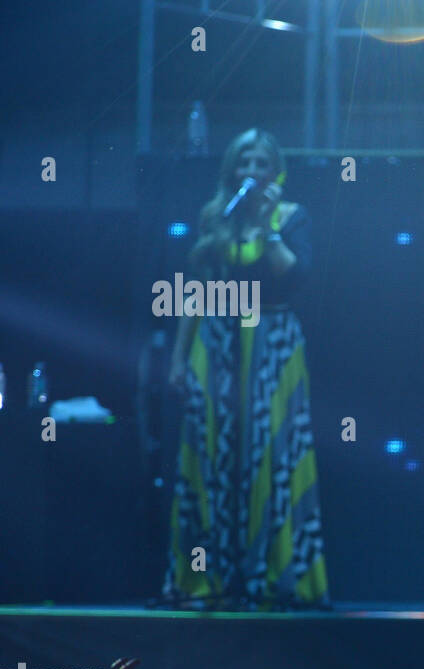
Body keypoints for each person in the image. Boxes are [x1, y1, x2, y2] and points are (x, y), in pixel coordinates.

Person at [165, 127, 328, 610]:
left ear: (276, 171)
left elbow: (293, 275)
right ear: (231, 170)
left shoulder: (292, 217)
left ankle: (275, 575)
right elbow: (195, 294)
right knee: (211, 454)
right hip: (216, 344)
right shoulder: (216, 217)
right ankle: (207, 577)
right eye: (244, 163)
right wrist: (178, 357)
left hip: (273, 343)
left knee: (272, 453)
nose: (252, 172)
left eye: (262, 163)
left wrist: (267, 226)